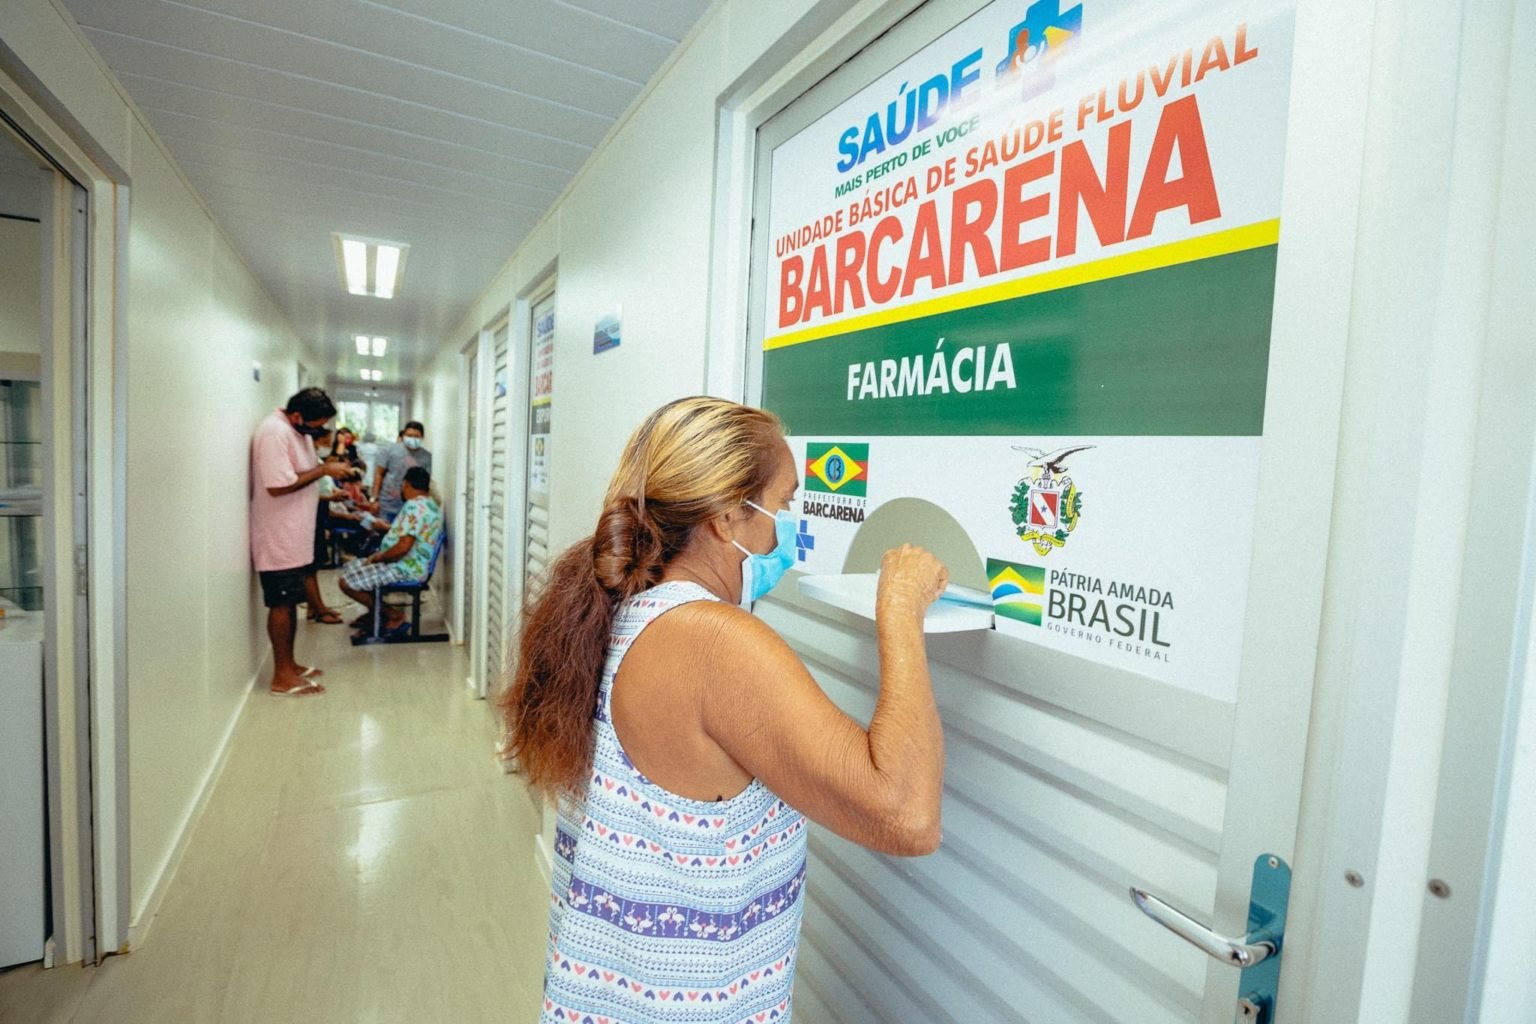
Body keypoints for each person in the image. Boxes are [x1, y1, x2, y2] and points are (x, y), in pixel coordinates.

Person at [501, 397, 947, 1024]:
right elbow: (907, 817)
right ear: (728, 516)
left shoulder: (614, 613)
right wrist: (900, 611)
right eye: (784, 504)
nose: (785, 529)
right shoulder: (714, 643)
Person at [250, 388, 354, 696]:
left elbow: (301, 476)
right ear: (297, 416)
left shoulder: (296, 432)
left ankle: (290, 664)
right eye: (314, 424)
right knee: (281, 604)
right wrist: (324, 469)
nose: (317, 431)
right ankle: (281, 676)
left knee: (291, 602)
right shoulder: (274, 433)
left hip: (295, 535)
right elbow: (278, 486)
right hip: (278, 536)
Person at [338, 466, 443, 635]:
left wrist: (378, 557)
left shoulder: (415, 507)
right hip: (409, 564)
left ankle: (393, 615)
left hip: (404, 567)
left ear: (406, 484)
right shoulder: (429, 504)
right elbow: (409, 535)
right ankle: (376, 612)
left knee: (346, 583)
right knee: (354, 568)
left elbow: (402, 547)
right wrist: (385, 528)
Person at [372, 420, 431, 521]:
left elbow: (426, 485)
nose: (412, 438)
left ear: (422, 437)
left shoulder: (427, 457)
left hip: (412, 508)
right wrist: (374, 499)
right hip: (387, 505)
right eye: (409, 435)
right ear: (403, 435)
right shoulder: (390, 450)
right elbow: (379, 474)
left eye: (416, 436)